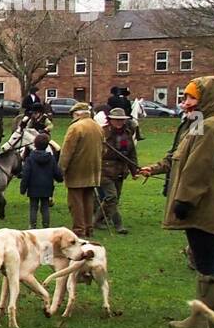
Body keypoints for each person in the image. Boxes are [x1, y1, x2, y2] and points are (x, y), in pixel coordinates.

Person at [140, 76, 214, 328]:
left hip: (203, 206)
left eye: (191, 97)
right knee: (205, 258)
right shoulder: (201, 123)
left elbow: (199, 167)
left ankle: (203, 317)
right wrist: (156, 168)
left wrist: (185, 200)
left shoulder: (210, 126)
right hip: (202, 204)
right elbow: (180, 157)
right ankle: (208, 314)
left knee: (206, 260)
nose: (185, 102)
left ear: (206, 99)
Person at [59, 101, 104, 238]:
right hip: (94, 170)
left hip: (77, 170)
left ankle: (79, 229)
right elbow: (104, 149)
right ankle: (89, 228)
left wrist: (61, 169)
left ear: (77, 114)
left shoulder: (76, 127)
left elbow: (67, 151)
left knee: (76, 202)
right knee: (88, 200)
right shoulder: (98, 127)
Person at [96, 108, 137, 234]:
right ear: (110, 120)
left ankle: (98, 220)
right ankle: (118, 225)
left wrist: (134, 170)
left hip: (120, 171)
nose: (119, 122)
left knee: (114, 199)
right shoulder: (102, 132)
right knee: (111, 196)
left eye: (121, 120)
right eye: (116, 120)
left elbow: (131, 153)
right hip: (104, 170)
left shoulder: (127, 133)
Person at [20, 133, 62, 228]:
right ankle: (46, 226)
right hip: (47, 186)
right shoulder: (51, 158)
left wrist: (23, 188)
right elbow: (56, 172)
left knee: (33, 207)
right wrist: (60, 178)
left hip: (33, 186)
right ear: (47, 145)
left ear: (34, 144)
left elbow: (26, 174)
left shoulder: (30, 159)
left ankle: (33, 226)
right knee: (45, 207)